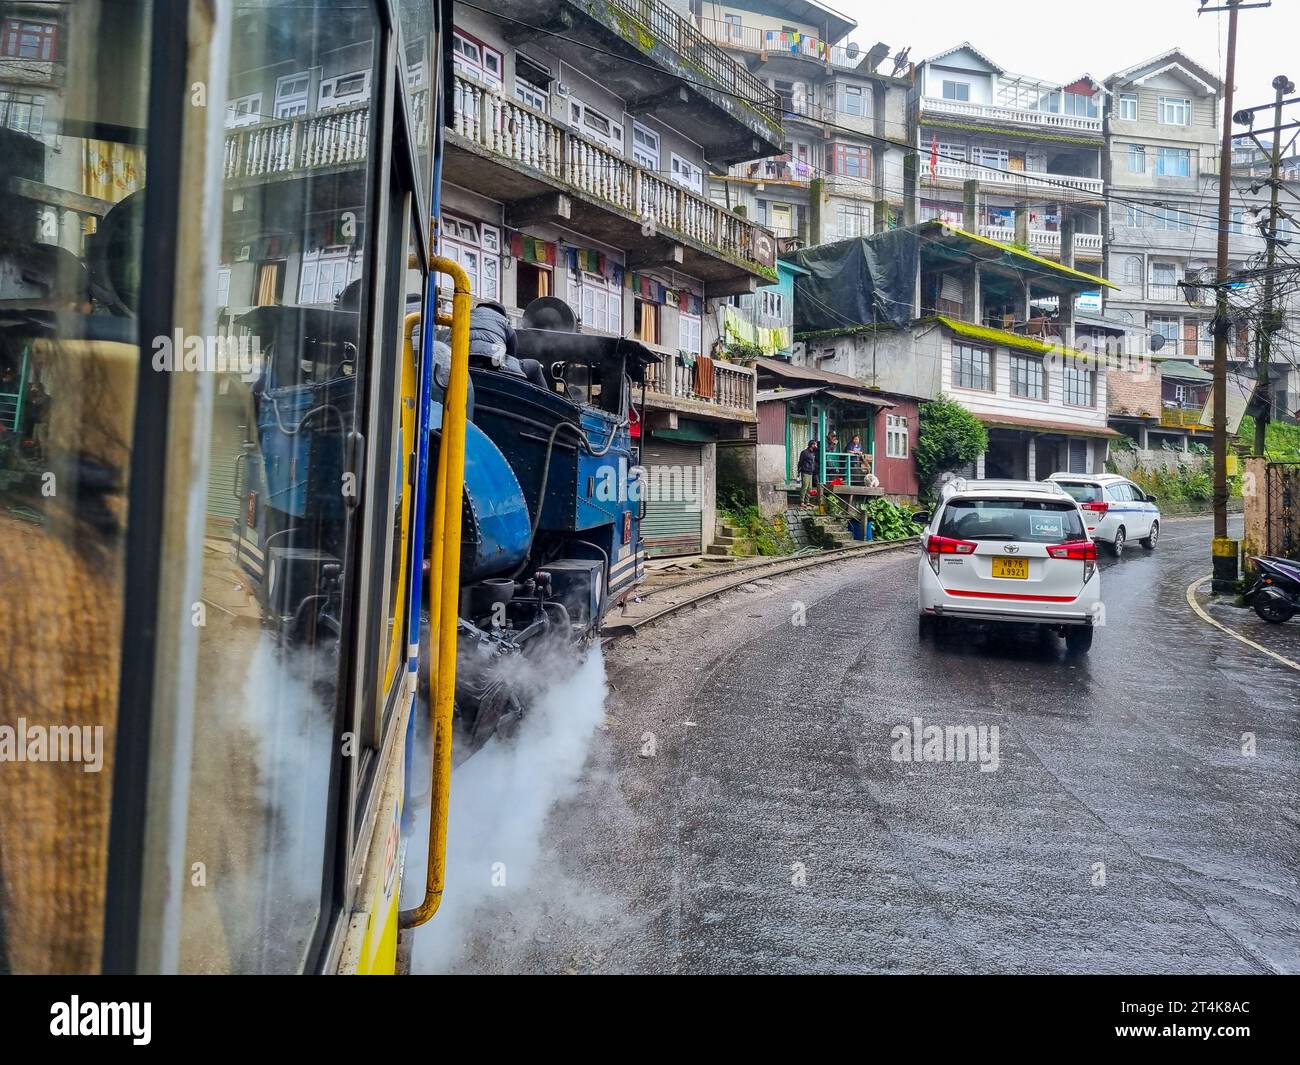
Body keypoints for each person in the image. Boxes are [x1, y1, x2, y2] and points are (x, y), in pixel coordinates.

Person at [796, 438, 819, 506]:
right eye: (815, 444)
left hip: (811, 472)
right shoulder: (804, 452)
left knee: (809, 488)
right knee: (804, 487)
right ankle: (801, 501)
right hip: (805, 472)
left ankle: (807, 501)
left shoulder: (813, 453)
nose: (816, 446)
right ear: (812, 445)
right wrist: (798, 471)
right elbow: (800, 462)